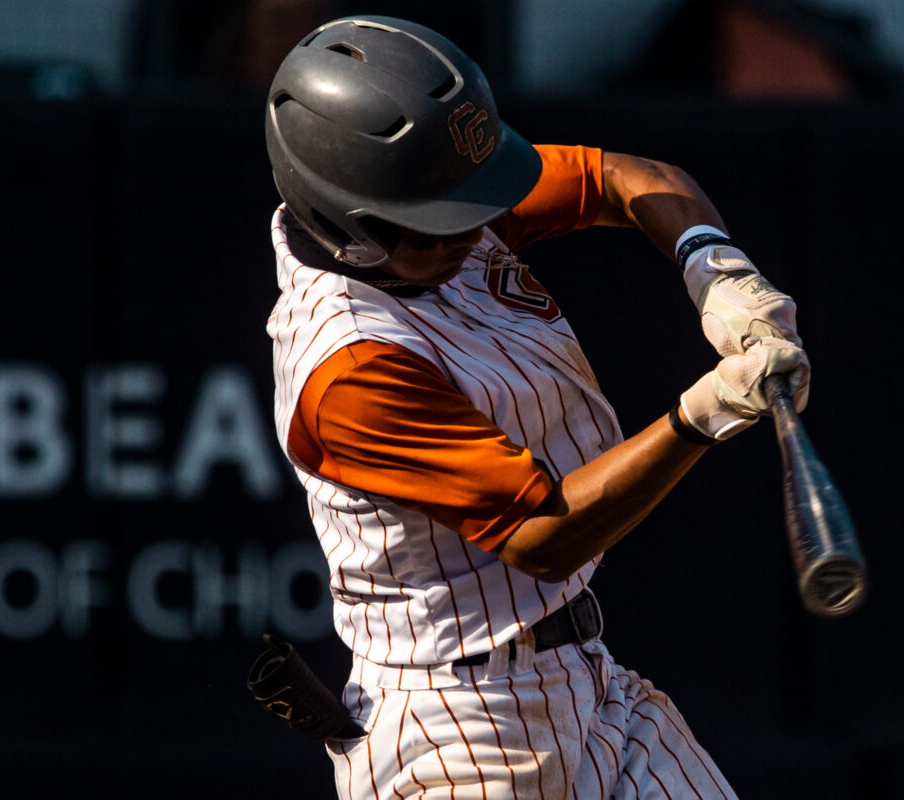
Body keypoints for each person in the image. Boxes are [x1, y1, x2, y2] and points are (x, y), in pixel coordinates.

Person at [264, 15, 808, 799]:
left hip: (589, 683)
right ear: (349, 225)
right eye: (443, 221)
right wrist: (707, 410)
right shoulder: (351, 368)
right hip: (455, 731)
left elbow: (625, 177)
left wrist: (716, 271)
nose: (478, 227)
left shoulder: (426, 219)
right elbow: (541, 533)